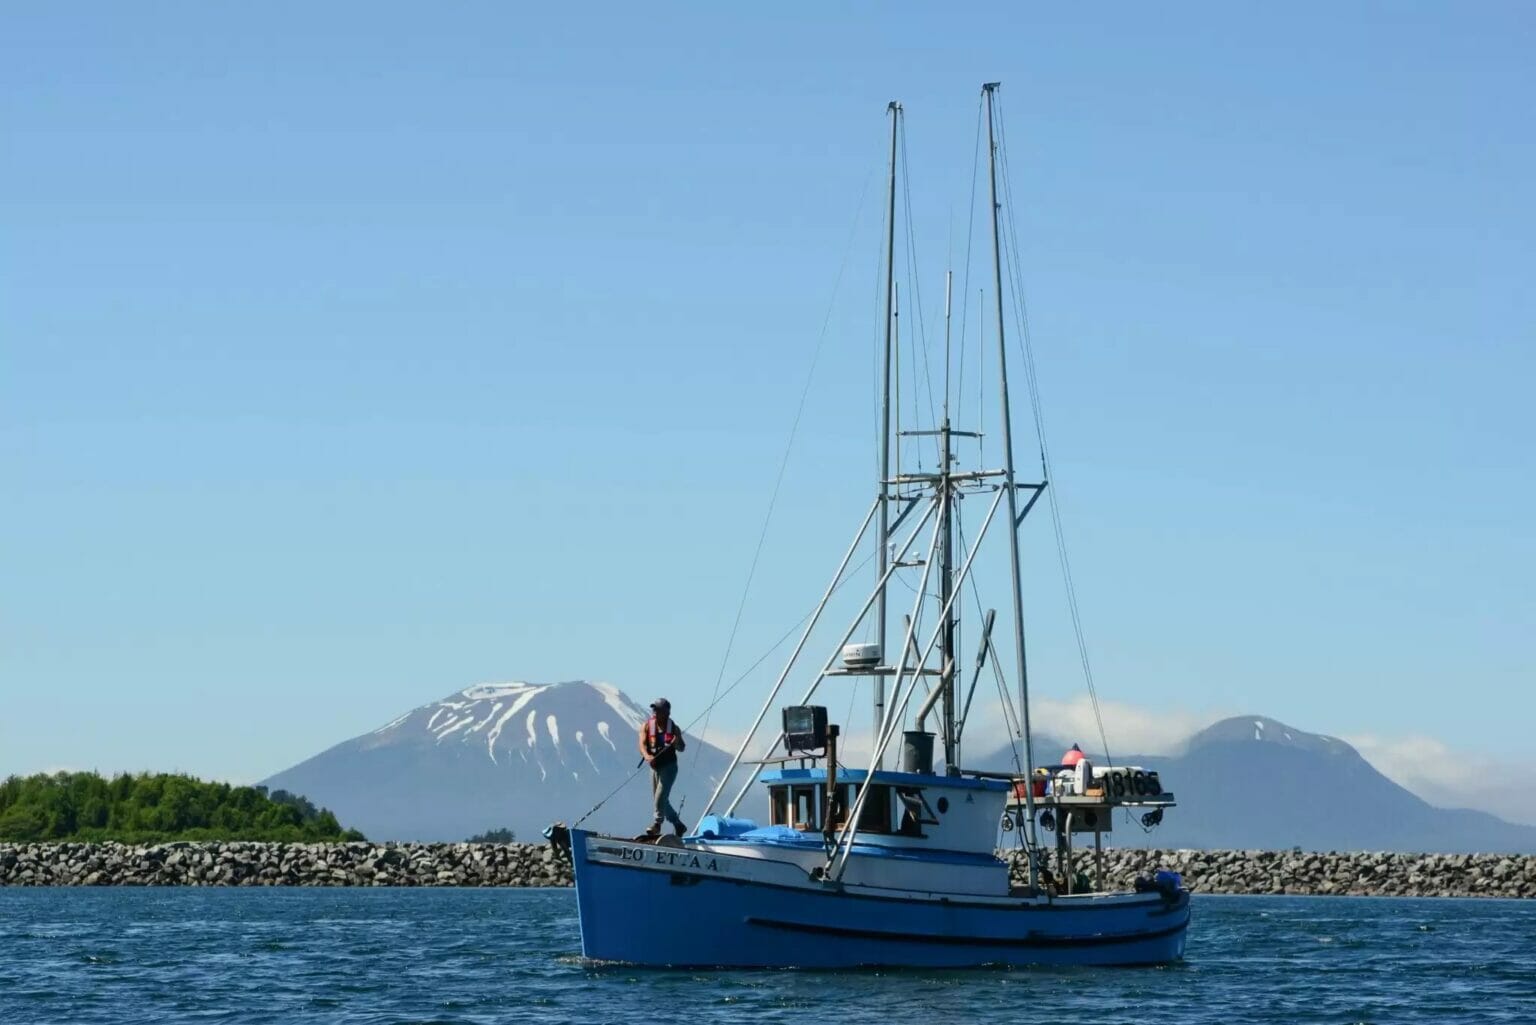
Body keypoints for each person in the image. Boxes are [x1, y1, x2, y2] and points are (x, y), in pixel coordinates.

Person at [638, 698, 687, 838]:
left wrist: (676, 741)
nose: (654, 712)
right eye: (653, 709)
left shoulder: (674, 728)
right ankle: (678, 824)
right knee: (661, 800)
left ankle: (657, 825)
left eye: (657, 710)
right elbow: (642, 744)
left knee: (660, 797)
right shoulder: (646, 726)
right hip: (654, 767)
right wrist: (647, 755)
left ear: (666, 713)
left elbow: (682, 748)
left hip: (669, 767)